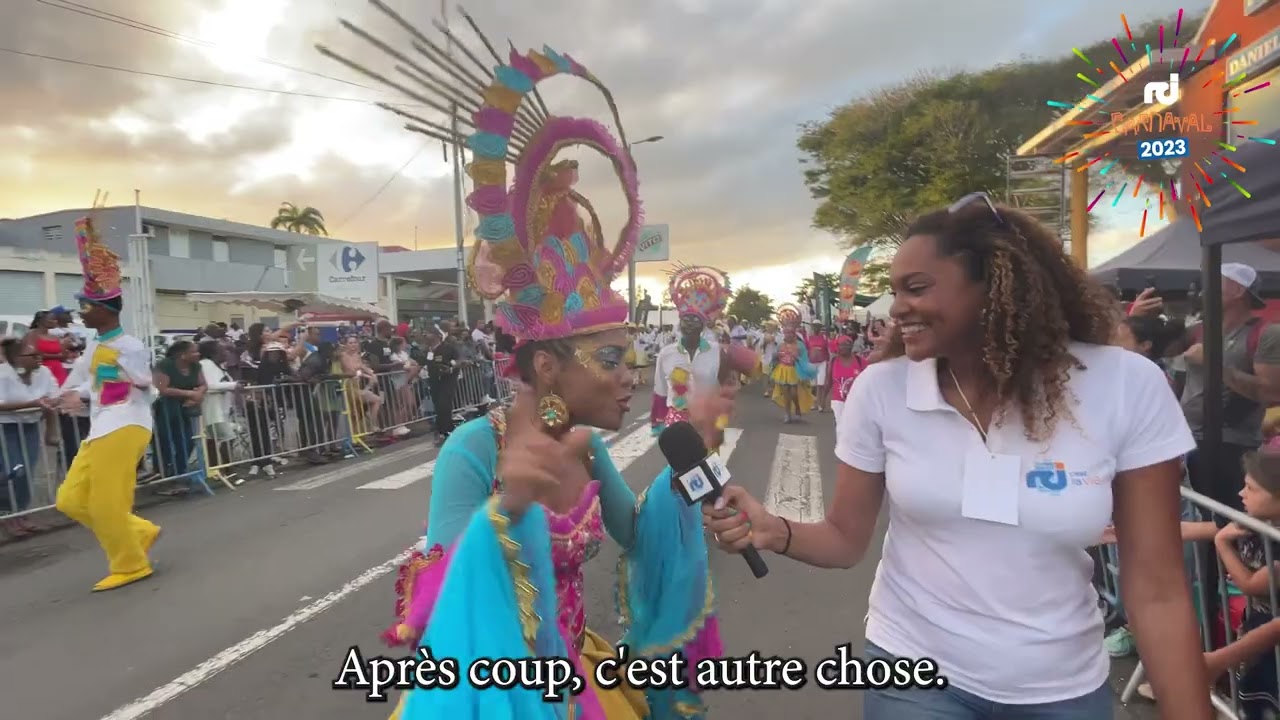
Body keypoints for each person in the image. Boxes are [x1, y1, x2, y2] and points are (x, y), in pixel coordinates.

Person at [705, 194, 1209, 719]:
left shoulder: (1124, 386)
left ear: (993, 284)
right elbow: (844, 539)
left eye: (917, 288)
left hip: (1059, 688)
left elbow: (1158, 591)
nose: (898, 307)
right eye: (895, 290)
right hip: (912, 675)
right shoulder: (882, 390)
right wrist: (773, 530)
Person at [366, 34, 728, 720]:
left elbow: (641, 537)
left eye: (631, 359)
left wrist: (693, 465)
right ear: (544, 365)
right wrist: (505, 517)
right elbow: (440, 600)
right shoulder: (475, 450)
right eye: (613, 360)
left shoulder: (584, 446)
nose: (631, 378)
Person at [56, 214, 162, 592]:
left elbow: (146, 389)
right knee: (69, 499)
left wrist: (128, 381)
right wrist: (66, 396)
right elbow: (83, 384)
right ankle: (139, 532)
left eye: (86, 306)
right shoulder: (96, 347)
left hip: (125, 424)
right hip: (100, 426)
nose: (82, 312)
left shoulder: (130, 347)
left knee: (104, 503)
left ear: (106, 309)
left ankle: (131, 563)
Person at [650, 265, 732, 435]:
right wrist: (657, 420)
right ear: (680, 323)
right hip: (676, 420)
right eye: (686, 320)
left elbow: (725, 386)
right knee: (678, 461)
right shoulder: (666, 353)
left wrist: (723, 415)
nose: (689, 324)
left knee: (707, 460)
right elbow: (660, 390)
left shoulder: (717, 352)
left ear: (703, 325)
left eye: (695, 320)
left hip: (707, 419)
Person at [0, 337, 60, 536]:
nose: (39, 358)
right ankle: (7, 514)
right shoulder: (3, 375)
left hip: (31, 426)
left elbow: (53, 398)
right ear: (17, 358)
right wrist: (31, 404)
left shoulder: (43, 372)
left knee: (27, 470)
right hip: (6, 427)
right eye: (33, 355)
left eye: (39, 353)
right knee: (13, 469)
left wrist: (50, 429)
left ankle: (22, 513)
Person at [152, 340, 205, 493]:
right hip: (165, 408)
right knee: (165, 442)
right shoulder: (165, 365)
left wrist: (198, 394)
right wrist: (189, 393)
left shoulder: (196, 366)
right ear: (183, 355)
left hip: (185, 408)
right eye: (194, 351)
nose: (198, 354)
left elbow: (203, 383)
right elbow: (162, 388)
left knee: (187, 441)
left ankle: (179, 473)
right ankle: (163, 478)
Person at [768, 303, 816, 423]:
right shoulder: (780, 344)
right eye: (786, 332)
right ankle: (787, 414)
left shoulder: (800, 345)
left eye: (791, 333)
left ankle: (798, 408)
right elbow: (774, 358)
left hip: (795, 371)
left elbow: (805, 358)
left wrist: (798, 359)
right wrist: (775, 361)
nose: (788, 334)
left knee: (794, 393)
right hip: (782, 371)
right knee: (786, 394)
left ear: (794, 334)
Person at [828, 335, 866, 433]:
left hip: (856, 400)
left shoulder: (860, 362)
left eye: (847, 345)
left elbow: (868, 382)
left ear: (852, 346)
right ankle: (840, 446)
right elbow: (828, 381)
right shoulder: (833, 362)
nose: (844, 347)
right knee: (840, 425)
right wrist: (822, 401)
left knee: (854, 426)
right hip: (838, 400)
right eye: (841, 345)